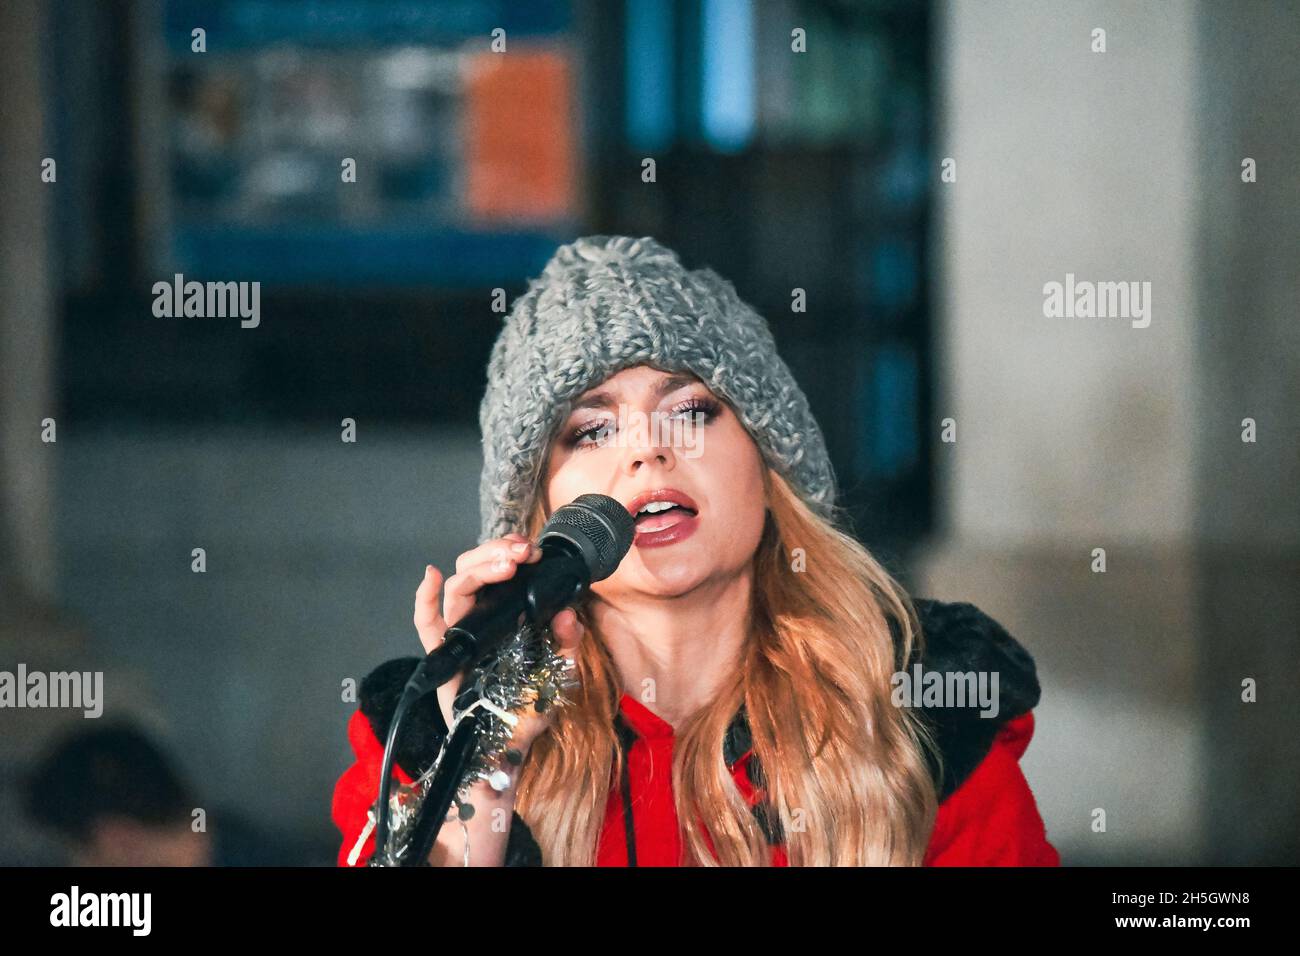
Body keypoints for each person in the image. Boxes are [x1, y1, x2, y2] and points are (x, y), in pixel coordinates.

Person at [332, 235, 1060, 867]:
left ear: (770, 466)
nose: (649, 449)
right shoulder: (423, 734)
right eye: (592, 430)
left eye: (689, 412)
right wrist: (487, 756)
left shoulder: (921, 723)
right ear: (536, 511)